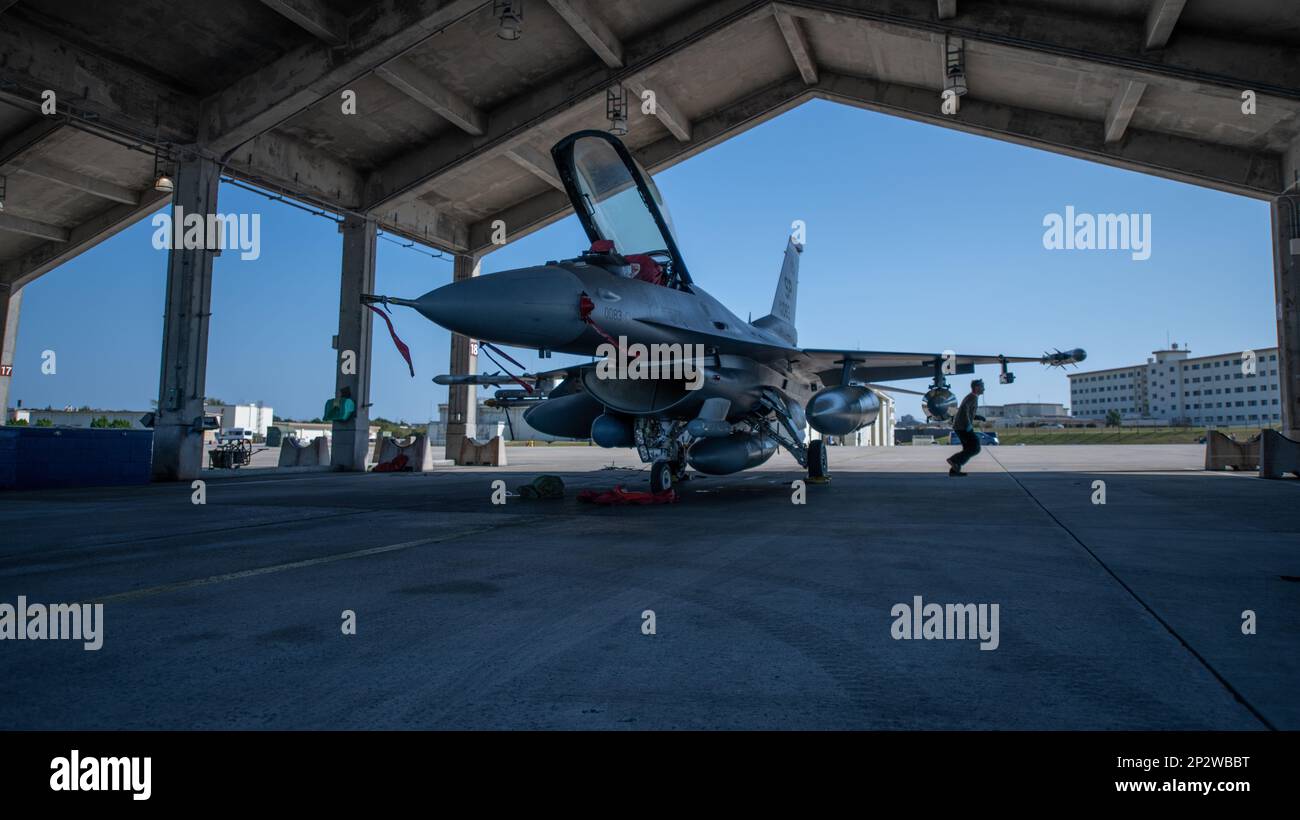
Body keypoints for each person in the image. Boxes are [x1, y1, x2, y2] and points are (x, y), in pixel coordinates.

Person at [947, 379, 987, 477]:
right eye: (982, 386)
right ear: (976, 387)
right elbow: (964, 410)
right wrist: (968, 425)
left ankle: (955, 470)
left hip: (960, 426)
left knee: (968, 449)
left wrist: (977, 417)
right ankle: (954, 460)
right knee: (975, 448)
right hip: (963, 427)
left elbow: (967, 411)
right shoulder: (972, 397)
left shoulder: (971, 397)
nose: (984, 389)